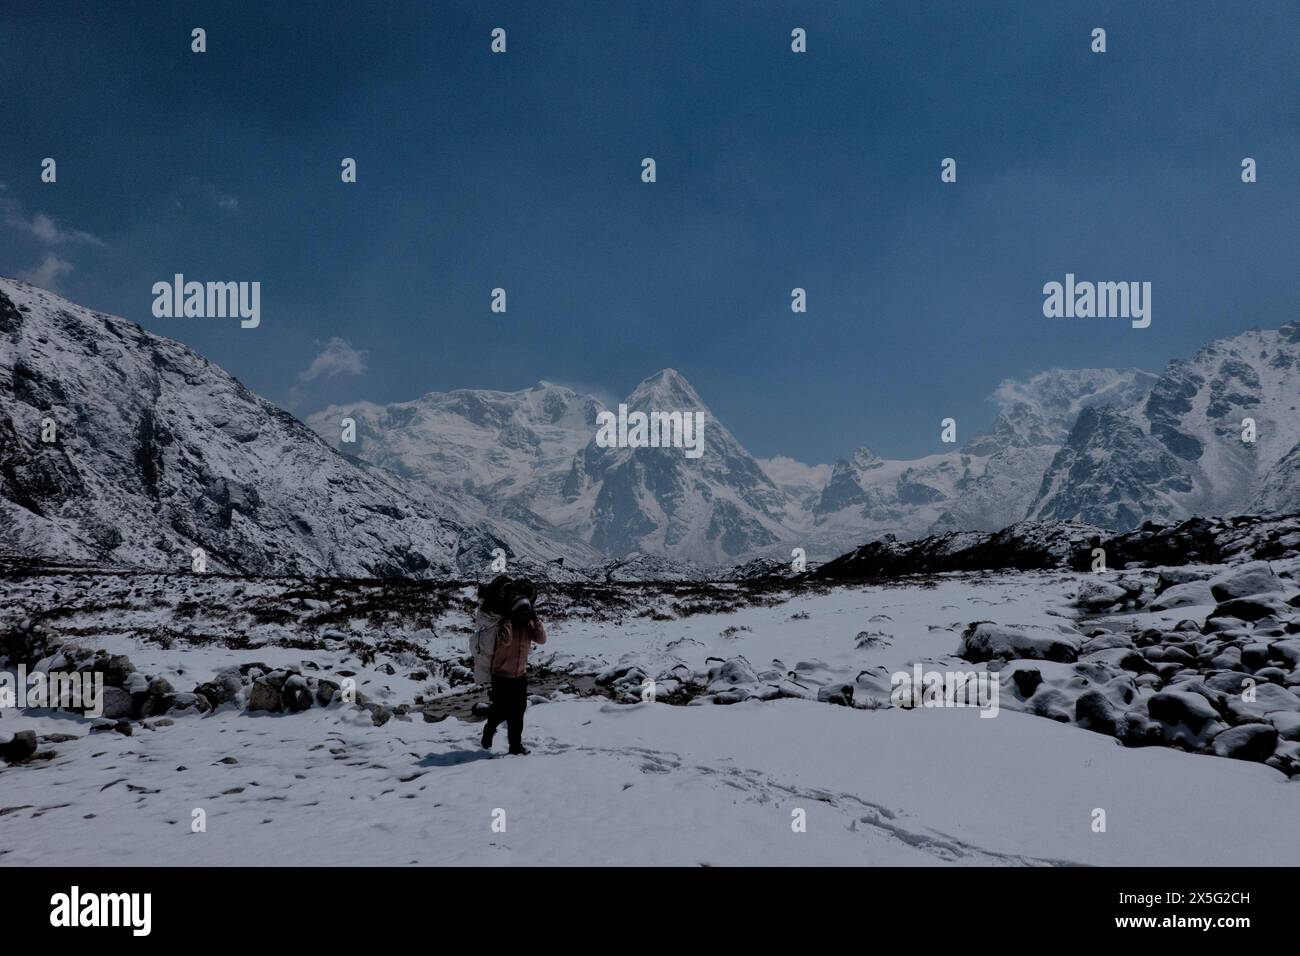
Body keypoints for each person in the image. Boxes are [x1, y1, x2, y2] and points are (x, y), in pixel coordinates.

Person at [474, 575, 547, 755]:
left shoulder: (528, 623)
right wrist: (508, 618)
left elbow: (542, 639)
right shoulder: (504, 624)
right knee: (501, 712)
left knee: (518, 713)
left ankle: (515, 746)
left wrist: (535, 619)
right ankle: (489, 729)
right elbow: (505, 641)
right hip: (501, 676)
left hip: (520, 676)